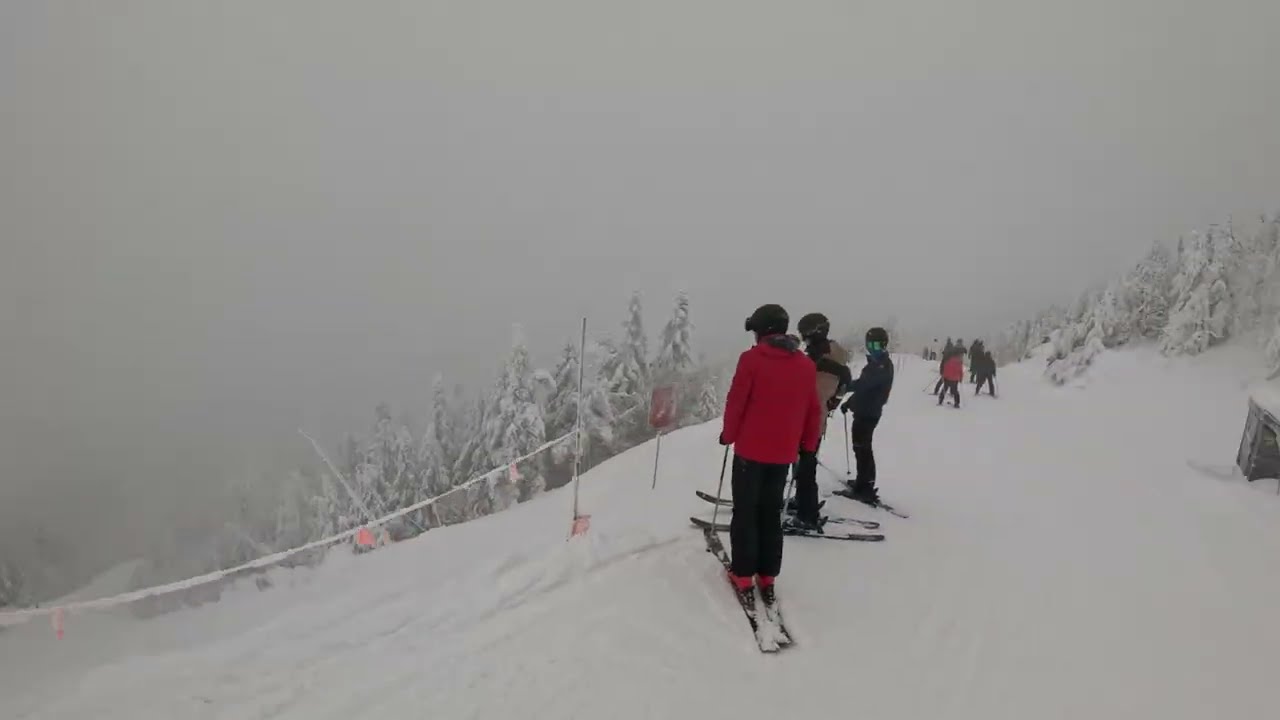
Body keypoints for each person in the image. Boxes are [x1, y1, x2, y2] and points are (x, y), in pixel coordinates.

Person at [720, 304, 822, 596]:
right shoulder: (805, 365)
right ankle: (767, 575)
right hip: (783, 455)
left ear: (762, 331)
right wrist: (808, 445)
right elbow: (812, 410)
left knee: (746, 513)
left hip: (750, 453)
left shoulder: (751, 360)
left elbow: (736, 401)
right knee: (770, 512)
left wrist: (728, 435)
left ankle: (742, 574)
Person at [786, 312, 852, 532]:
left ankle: (808, 514)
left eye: (804, 334)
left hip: (806, 417)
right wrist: (832, 402)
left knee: (804, 465)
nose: (803, 339)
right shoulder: (836, 355)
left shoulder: (817, 356)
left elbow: (802, 382)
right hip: (817, 416)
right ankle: (804, 502)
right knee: (804, 462)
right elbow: (844, 383)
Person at [838, 327, 895, 505]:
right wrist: (850, 403)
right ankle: (863, 481)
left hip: (869, 413)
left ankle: (865, 487)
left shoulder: (881, 365)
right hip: (864, 410)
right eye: (870, 345)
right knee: (860, 447)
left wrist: (845, 386)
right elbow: (865, 390)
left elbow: (864, 385)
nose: (872, 348)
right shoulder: (875, 363)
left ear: (884, 345)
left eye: (876, 345)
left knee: (863, 448)